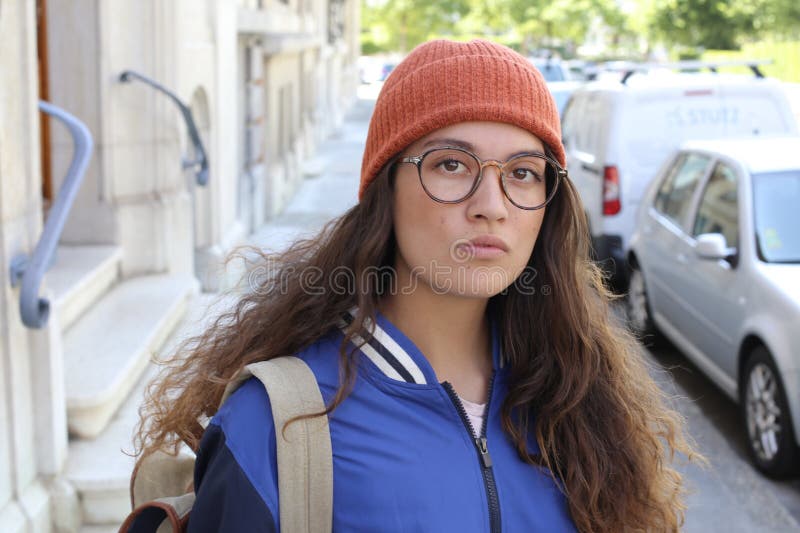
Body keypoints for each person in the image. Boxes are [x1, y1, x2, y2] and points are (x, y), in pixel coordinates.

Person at [133, 38, 698, 532]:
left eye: (523, 173)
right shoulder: (276, 427)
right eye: (451, 164)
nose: (492, 205)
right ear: (386, 190)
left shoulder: (575, 395)